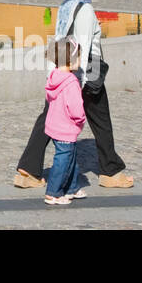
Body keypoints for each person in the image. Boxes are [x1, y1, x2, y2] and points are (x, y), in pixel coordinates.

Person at [13, 0, 135, 189]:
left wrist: (55, 74)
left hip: (63, 68)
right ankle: (110, 171)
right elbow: (84, 46)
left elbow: (60, 41)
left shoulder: (67, 6)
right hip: (86, 72)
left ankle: (28, 169)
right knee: (101, 121)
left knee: (49, 116)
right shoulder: (86, 10)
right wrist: (80, 82)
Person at [43, 37, 86, 206]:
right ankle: (53, 192)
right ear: (71, 60)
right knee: (63, 159)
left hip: (55, 126)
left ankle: (71, 188)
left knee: (71, 157)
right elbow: (76, 107)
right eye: (79, 58)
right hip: (65, 128)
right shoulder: (71, 82)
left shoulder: (54, 76)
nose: (80, 62)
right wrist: (80, 118)